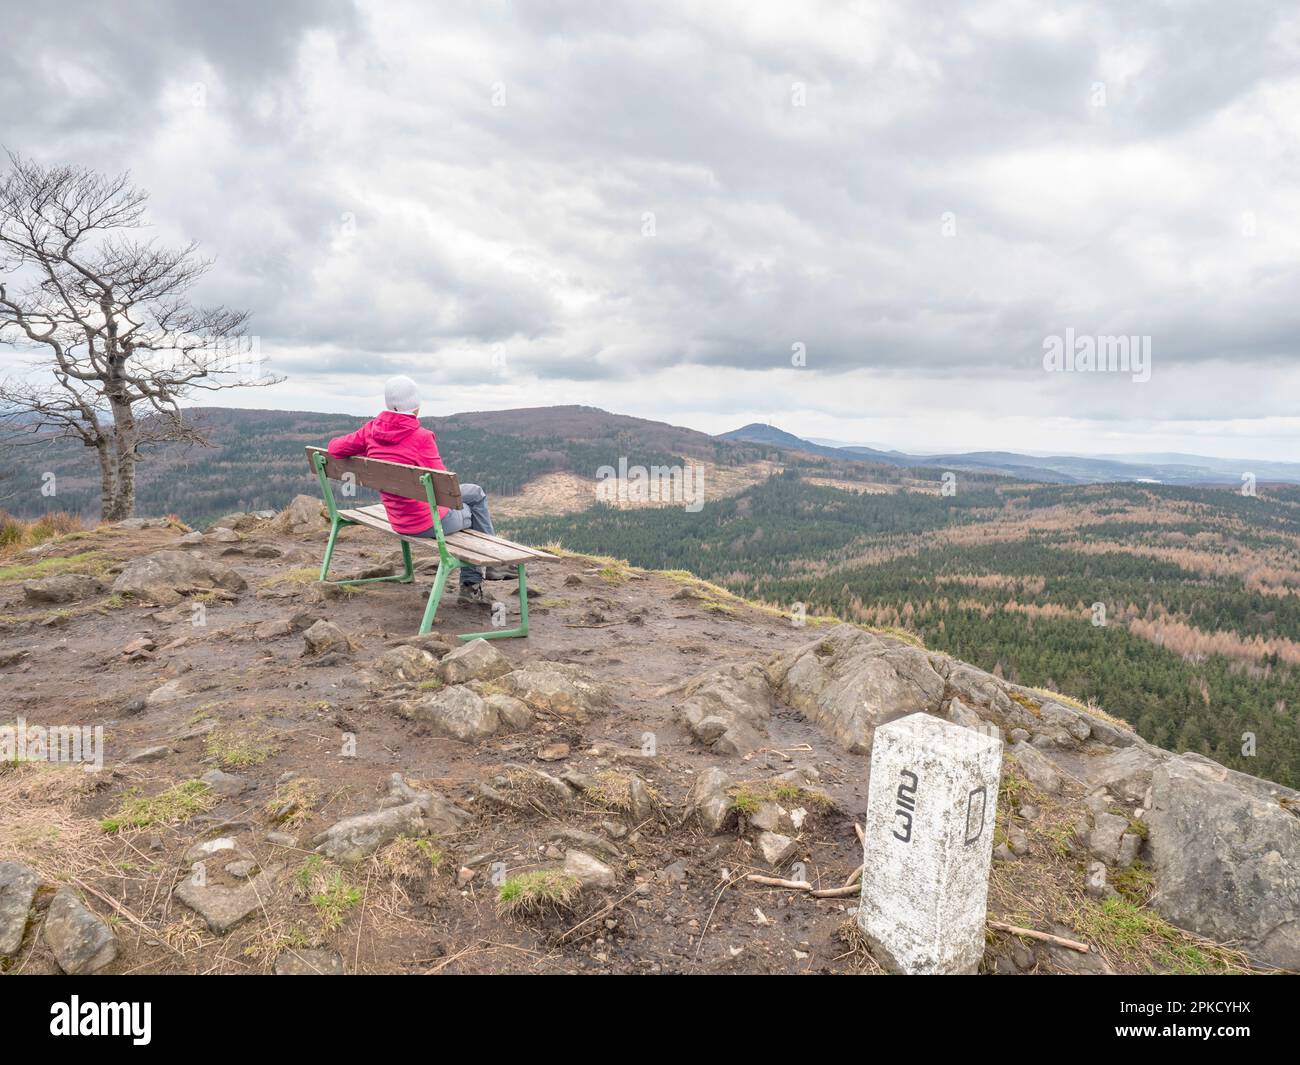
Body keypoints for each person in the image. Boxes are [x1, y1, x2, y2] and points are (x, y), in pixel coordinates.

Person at [326, 375, 502, 605]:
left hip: (399, 520)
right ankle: (478, 578)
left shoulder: (371, 430)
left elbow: (334, 448)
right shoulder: (421, 437)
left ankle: (484, 573)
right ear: (416, 406)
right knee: (473, 503)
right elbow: (445, 491)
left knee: (473, 493)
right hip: (429, 524)